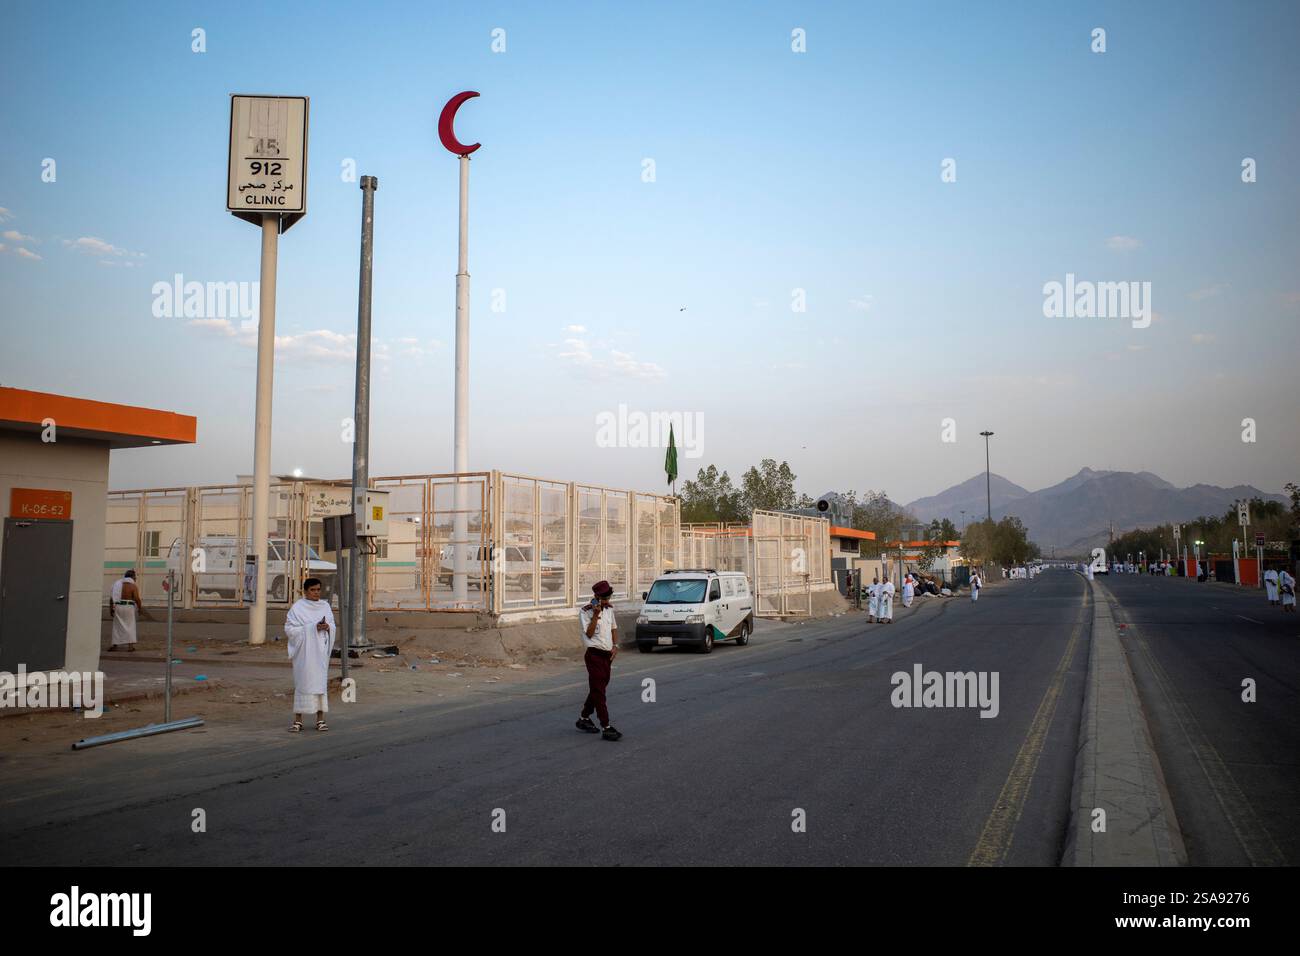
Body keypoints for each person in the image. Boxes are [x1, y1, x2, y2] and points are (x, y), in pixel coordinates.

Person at [286, 577, 336, 733]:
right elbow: (290, 629)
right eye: (313, 590)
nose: (316, 593)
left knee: (320, 685)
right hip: (304, 653)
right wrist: (312, 627)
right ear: (305, 591)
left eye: (318, 589)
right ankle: (297, 721)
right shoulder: (297, 608)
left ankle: (320, 720)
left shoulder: (325, 606)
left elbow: (332, 625)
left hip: (320, 652)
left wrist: (327, 627)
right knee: (302, 684)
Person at [577, 580, 622, 740]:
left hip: (606, 656)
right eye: (604, 599)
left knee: (598, 689)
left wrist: (615, 646)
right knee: (600, 692)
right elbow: (589, 634)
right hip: (594, 655)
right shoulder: (586, 611)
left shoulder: (609, 609)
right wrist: (596, 614)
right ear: (596, 596)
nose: (607, 601)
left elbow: (613, 628)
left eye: (608, 598)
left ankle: (584, 718)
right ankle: (606, 726)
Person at [108, 569, 142, 652]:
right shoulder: (133, 586)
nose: (136, 579)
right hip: (128, 607)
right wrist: (140, 609)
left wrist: (111, 609)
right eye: (135, 577)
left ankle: (115, 645)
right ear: (132, 577)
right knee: (130, 626)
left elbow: (112, 598)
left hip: (118, 607)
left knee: (117, 627)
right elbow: (137, 599)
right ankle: (130, 647)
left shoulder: (117, 585)